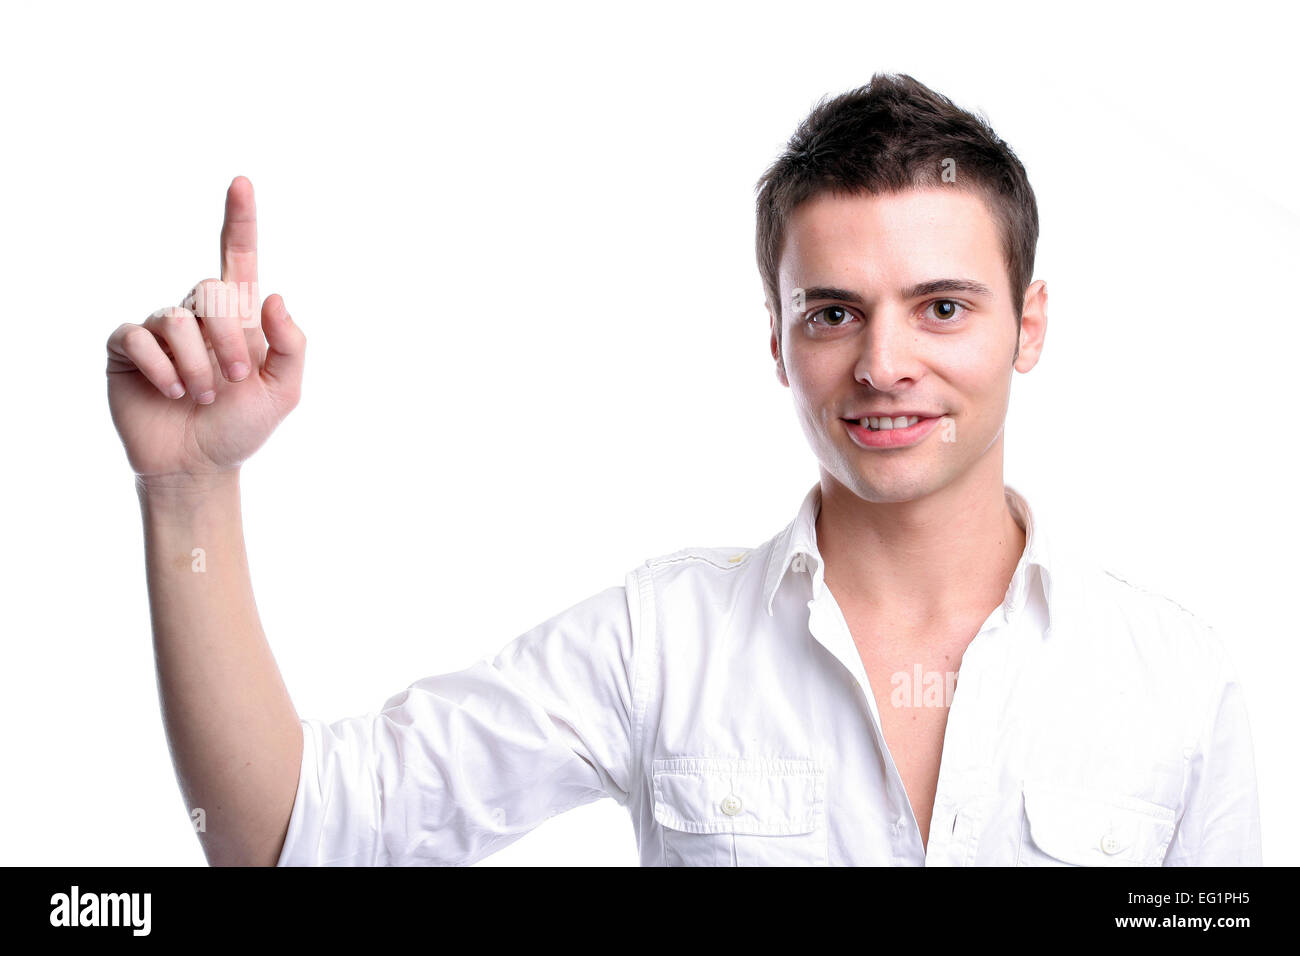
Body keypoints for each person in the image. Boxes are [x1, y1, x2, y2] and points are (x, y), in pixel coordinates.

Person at [107, 73, 1262, 866]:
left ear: (1030, 324)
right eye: (832, 313)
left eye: (942, 306)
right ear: (777, 341)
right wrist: (188, 490)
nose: (882, 363)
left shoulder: (1171, 679)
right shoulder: (660, 642)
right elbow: (294, 834)